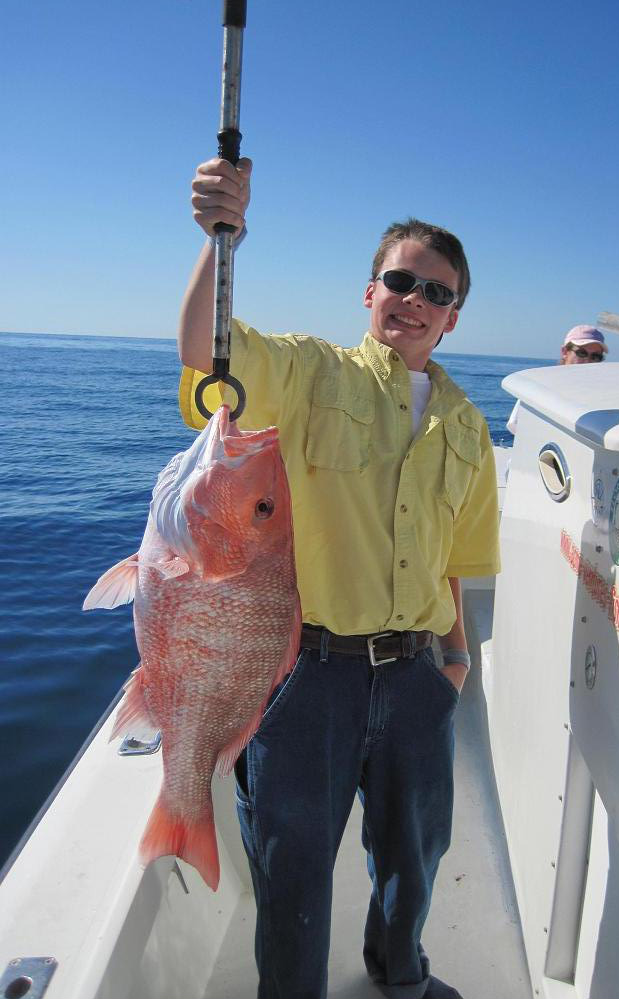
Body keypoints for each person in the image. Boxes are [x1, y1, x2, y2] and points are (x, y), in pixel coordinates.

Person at [177, 156, 500, 999]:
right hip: (304, 676)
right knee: (293, 873)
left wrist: (454, 662)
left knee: (414, 857)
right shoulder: (311, 374)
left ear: (453, 317)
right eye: (400, 280)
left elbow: (457, 561)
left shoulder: (468, 425)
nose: (415, 300)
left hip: (419, 676)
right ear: (370, 293)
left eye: (436, 292)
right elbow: (204, 351)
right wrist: (224, 239)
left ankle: (401, 978)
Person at [506, 323, 608, 435]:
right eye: (582, 353)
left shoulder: (604, 394)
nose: (588, 360)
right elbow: (516, 426)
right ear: (565, 352)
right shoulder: (540, 384)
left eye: (596, 356)